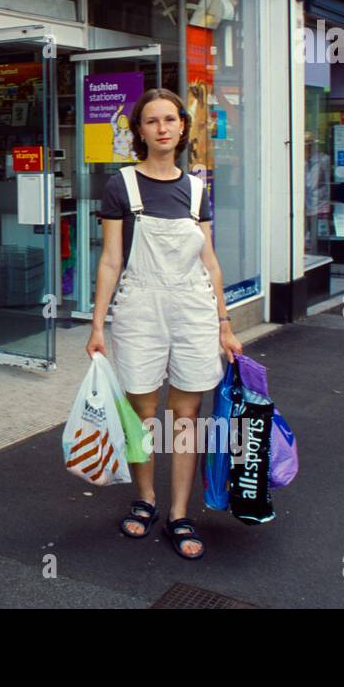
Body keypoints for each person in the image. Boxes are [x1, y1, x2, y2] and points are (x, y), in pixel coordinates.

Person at [86, 88, 243, 561]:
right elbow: (111, 261)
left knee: (187, 418)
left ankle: (179, 512)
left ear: (181, 127)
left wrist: (224, 322)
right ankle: (145, 498)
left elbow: (209, 261)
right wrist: (97, 326)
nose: (161, 128)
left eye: (169, 119)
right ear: (139, 130)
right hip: (139, 308)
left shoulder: (197, 190)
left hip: (193, 308)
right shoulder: (121, 186)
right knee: (142, 415)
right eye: (151, 121)